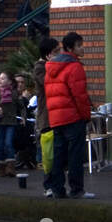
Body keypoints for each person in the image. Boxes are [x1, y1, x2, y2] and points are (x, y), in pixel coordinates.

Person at [45, 31, 94, 199]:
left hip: (56, 118)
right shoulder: (74, 67)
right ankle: (77, 189)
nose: (82, 49)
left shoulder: (51, 67)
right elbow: (79, 96)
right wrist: (86, 115)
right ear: (70, 48)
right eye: (79, 45)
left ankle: (57, 188)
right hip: (73, 118)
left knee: (59, 154)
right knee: (75, 155)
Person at [33, 37, 59, 195]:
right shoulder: (39, 68)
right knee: (48, 153)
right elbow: (48, 83)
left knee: (57, 152)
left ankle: (56, 184)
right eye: (56, 51)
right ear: (49, 54)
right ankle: (48, 184)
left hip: (57, 114)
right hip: (47, 116)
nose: (60, 54)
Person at [0, 71, 21, 176]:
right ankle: (1, 166)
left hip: (11, 122)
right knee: (0, 144)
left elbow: (21, 106)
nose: (0, 80)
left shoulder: (14, 94)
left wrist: (22, 117)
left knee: (8, 143)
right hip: (0, 123)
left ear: (9, 82)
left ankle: (11, 167)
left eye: (3, 78)